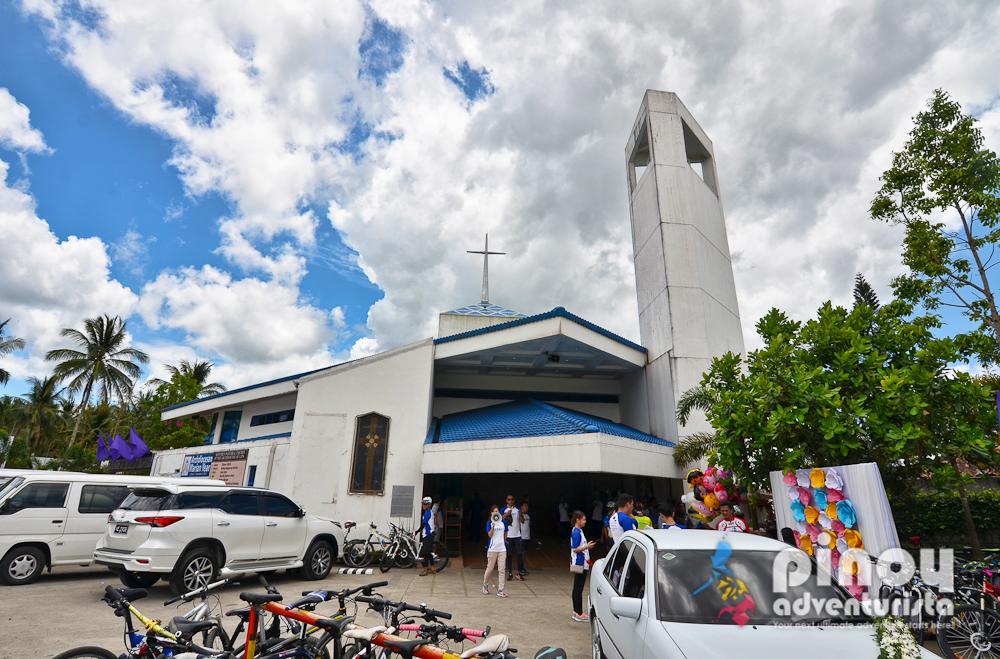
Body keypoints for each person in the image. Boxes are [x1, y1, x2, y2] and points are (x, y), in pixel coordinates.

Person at [570, 510, 596, 622]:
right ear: (577, 520)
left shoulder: (578, 531)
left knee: (577, 588)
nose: (585, 521)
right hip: (580, 563)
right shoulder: (576, 532)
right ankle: (578, 613)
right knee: (578, 589)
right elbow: (575, 549)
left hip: (582, 562)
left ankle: (577, 612)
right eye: (583, 519)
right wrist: (587, 547)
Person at [483, 505, 508, 597]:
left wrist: (502, 542)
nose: (495, 512)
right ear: (491, 513)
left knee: (501, 569)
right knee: (490, 568)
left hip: (502, 549)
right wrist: (493, 526)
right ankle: (485, 585)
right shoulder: (489, 522)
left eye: (497, 511)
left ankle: (501, 589)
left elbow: (506, 533)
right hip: (492, 549)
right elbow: (489, 535)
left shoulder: (503, 522)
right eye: (493, 511)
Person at [503, 494, 525, 580]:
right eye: (509, 499)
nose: (510, 501)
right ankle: (510, 573)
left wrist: (520, 515)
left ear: (514, 500)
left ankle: (519, 572)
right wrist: (507, 514)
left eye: (512, 499)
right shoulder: (504, 509)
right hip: (508, 535)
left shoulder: (518, 509)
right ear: (506, 500)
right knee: (509, 554)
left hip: (517, 535)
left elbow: (522, 521)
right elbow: (500, 519)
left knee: (520, 554)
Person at [416, 496, 438, 576]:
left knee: (424, 553)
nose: (424, 505)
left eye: (426, 504)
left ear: (429, 505)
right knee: (428, 553)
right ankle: (433, 568)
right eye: (423, 503)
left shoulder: (428, 513)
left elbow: (424, 523)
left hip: (428, 535)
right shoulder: (428, 512)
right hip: (427, 535)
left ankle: (425, 570)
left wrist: (417, 531)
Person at [519, 502, 532, 574]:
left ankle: (522, 566)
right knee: (521, 553)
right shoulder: (520, 516)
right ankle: (520, 568)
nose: (526, 508)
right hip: (522, 537)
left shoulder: (528, 516)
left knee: (524, 552)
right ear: (521, 507)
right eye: (525, 506)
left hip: (527, 536)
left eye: (527, 506)